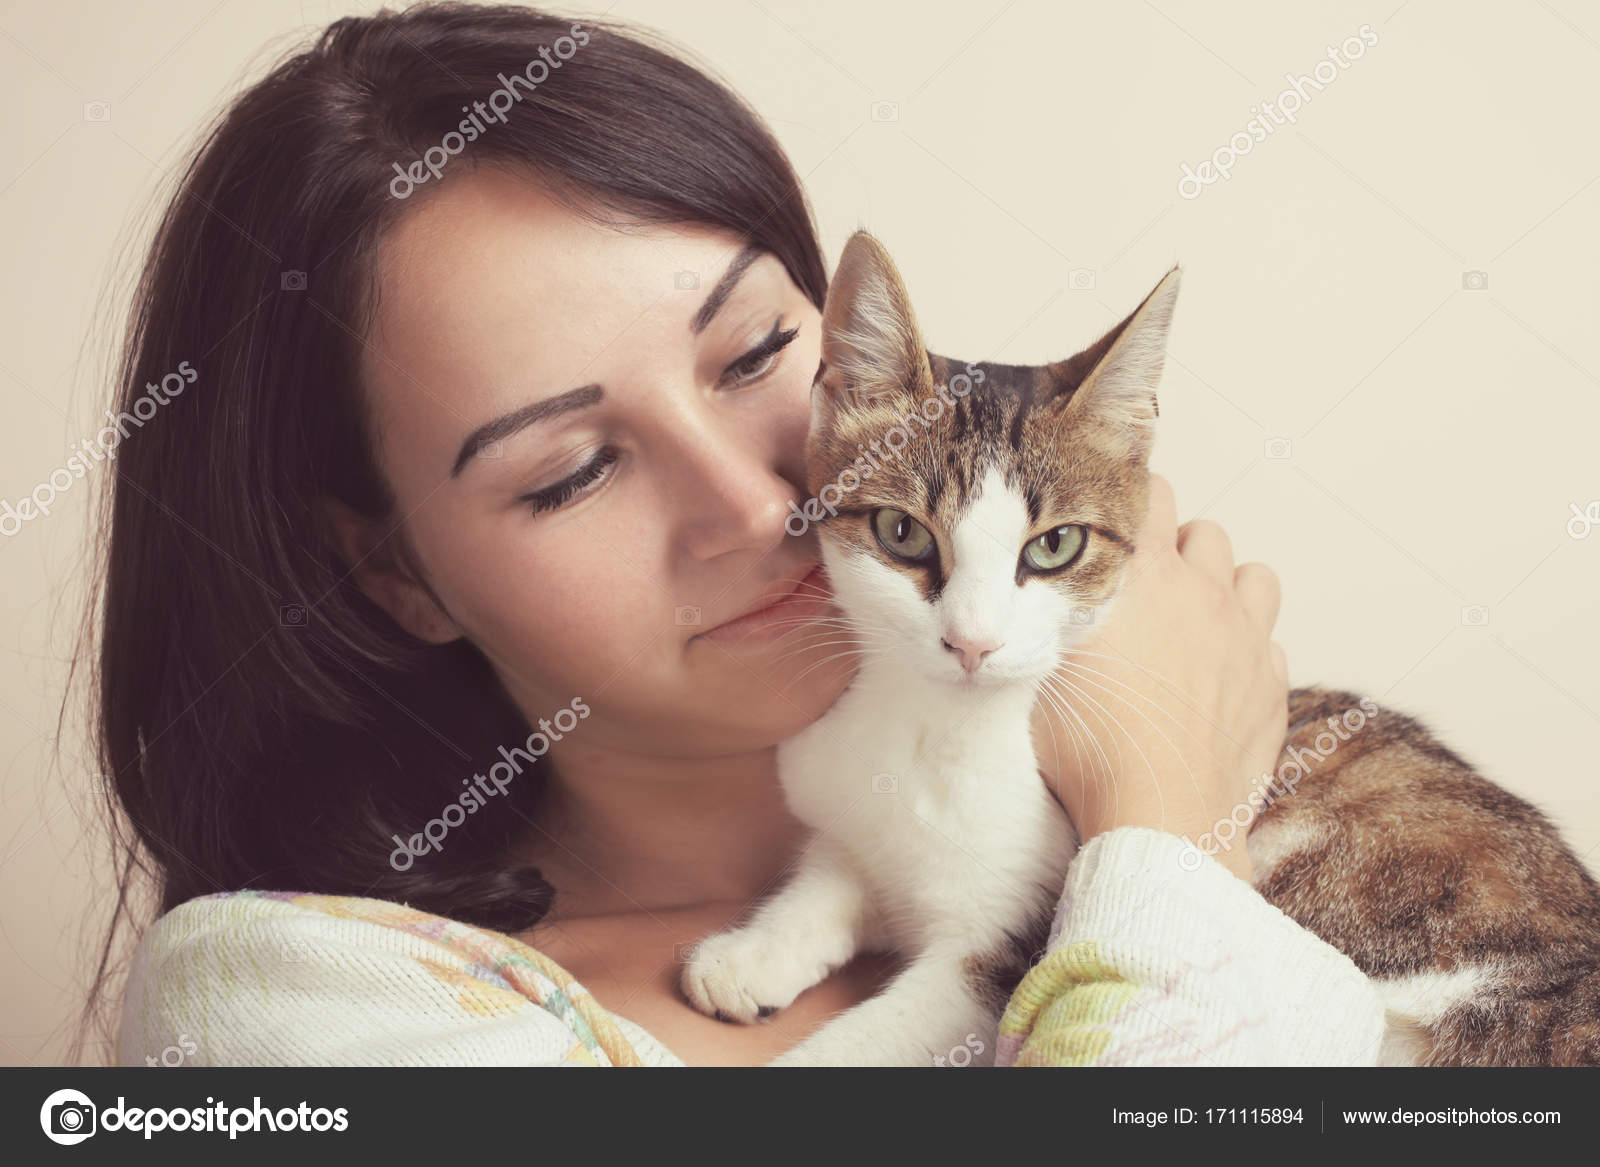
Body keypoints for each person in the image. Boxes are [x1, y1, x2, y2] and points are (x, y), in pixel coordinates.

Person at [89, 3, 1384, 1067]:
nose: (771, 506)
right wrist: (1164, 826)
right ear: (392, 571)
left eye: (763, 350)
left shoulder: (1265, 795)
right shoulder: (311, 1016)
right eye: (575, 470)